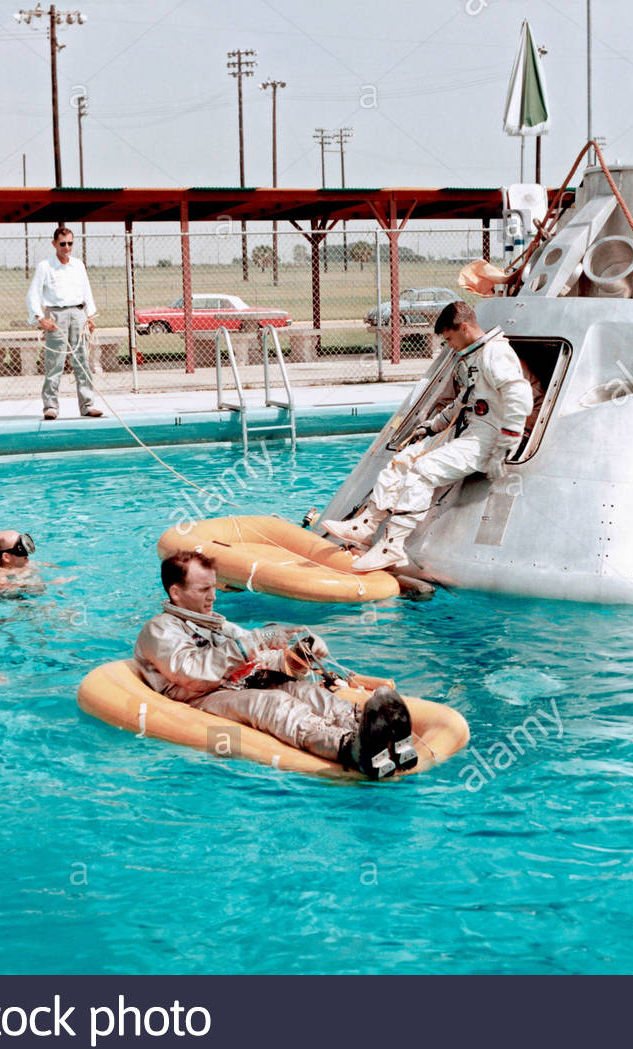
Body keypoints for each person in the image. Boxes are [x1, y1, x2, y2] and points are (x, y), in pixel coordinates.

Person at [134, 550, 416, 779]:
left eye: (213, 587)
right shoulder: (159, 629)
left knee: (306, 693)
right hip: (201, 697)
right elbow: (192, 675)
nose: (213, 596)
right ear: (176, 593)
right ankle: (349, 747)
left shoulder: (217, 624)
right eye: (204, 589)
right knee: (273, 705)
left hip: (238, 684)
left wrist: (294, 657)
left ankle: (373, 727)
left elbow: (254, 656)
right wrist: (253, 642)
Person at [321, 301, 533, 571]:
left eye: (449, 338)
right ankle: (368, 524)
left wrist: (506, 444)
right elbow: (463, 401)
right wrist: (432, 426)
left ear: (464, 327)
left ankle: (392, 547)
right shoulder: (474, 356)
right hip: (470, 430)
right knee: (406, 457)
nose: (449, 345)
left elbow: (519, 395)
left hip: (488, 437)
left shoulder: (495, 353)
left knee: (423, 469)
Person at [26, 225, 104, 421]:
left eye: (70, 243)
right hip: (56, 317)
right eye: (62, 244)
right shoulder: (45, 266)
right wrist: (40, 318)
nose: (66, 247)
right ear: (54, 244)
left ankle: (87, 405)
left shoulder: (78, 265)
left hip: (78, 314)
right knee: (54, 364)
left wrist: (90, 316)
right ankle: (50, 407)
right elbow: (33, 294)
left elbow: (87, 291)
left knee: (82, 362)